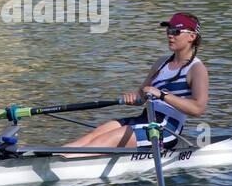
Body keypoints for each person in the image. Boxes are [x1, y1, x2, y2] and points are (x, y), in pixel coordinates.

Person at [63, 13, 209, 151]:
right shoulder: (161, 63)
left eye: (176, 31)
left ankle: (64, 166)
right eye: (169, 30)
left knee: (103, 142)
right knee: (93, 136)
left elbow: (198, 109)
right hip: (145, 118)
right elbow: (142, 97)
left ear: (191, 36)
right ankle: (55, 157)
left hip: (166, 128)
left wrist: (162, 95)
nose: (170, 34)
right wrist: (134, 98)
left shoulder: (196, 69)